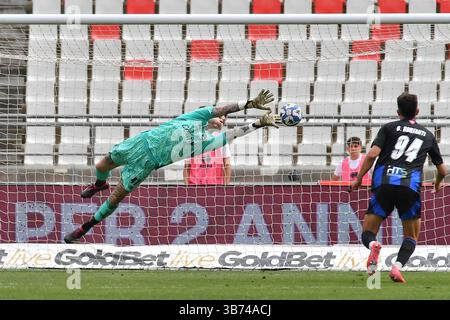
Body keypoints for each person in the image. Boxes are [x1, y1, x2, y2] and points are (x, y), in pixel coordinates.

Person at [64, 90, 278, 243]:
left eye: (224, 119)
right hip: (140, 143)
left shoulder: (208, 143)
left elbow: (233, 135)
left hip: (148, 163)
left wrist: (257, 124)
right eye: (220, 116)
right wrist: (249, 104)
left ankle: (85, 228)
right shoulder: (196, 116)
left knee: (116, 198)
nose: (222, 119)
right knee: (102, 164)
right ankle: (99, 184)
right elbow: (223, 108)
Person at [350, 92, 447, 283]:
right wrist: (436, 184)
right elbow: (443, 169)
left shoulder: (388, 128)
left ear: (398, 111)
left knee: (368, 232)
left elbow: (371, 155)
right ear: (417, 111)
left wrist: (359, 179)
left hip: (384, 184)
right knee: (411, 236)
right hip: (409, 187)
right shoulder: (428, 135)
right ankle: (396, 268)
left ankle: (374, 245)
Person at [183, 110, 232, 185]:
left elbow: (187, 166)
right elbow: (227, 164)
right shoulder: (222, 139)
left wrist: (187, 187)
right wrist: (225, 186)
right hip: (217, 186)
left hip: (194, 186)